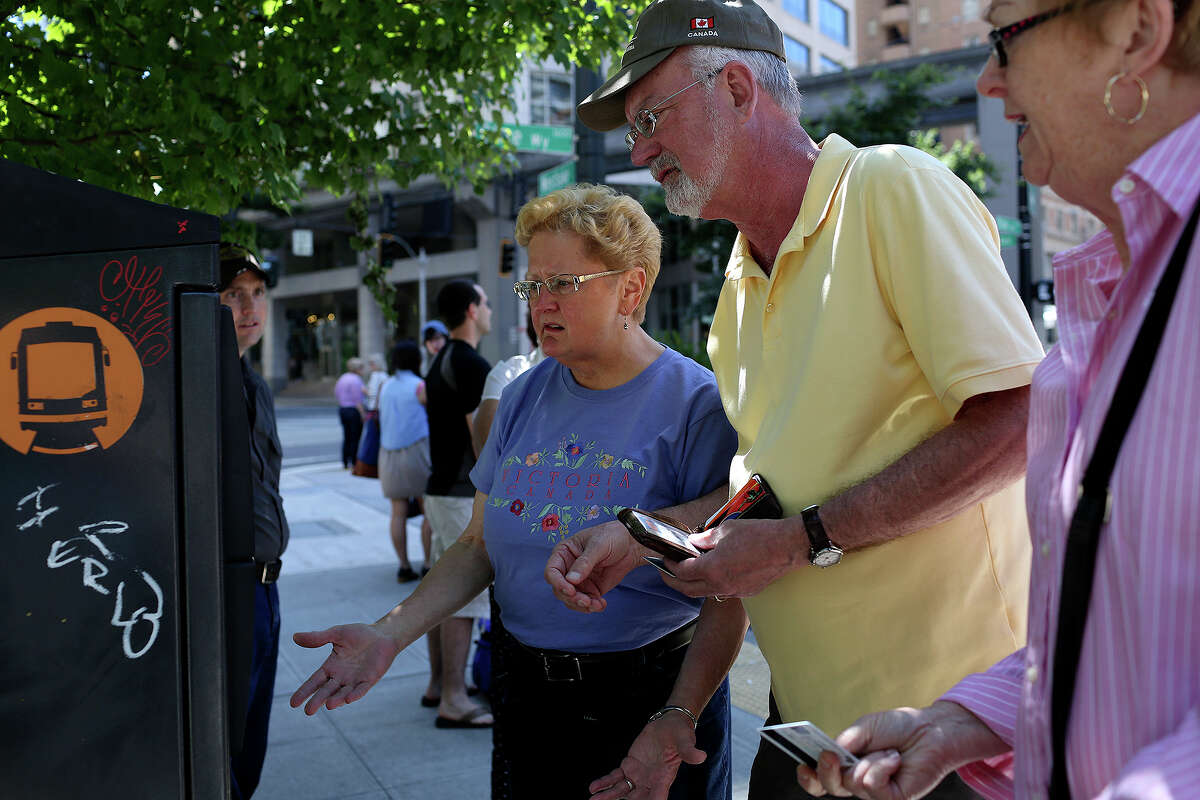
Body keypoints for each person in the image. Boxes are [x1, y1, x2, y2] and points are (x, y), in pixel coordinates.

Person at [556, 2, 1046, 797]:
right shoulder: (737, 284)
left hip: (949, 737)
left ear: (741, 88)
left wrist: (799, 541)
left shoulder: (890, 186)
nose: (641, 149)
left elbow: (1021, 420)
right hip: (807, 732)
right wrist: (654, 535)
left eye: (652, 115)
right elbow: (772, 488)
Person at [795, 0, 1200, 797]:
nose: (989, 82)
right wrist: (966, 720)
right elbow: (1127, 622)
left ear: (1139, 32)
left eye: (1003, 41)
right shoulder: (1120, 276)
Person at [290, 184, 741, 800]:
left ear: (631, 288)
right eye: (532, 286)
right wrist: (389, 634)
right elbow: (478, 544)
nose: (540, 304)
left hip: (650, 699)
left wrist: (680, 714)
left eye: (564, 284)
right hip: (526, 690)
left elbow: (729, 591)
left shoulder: (696, 404)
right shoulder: (525, 395)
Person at [218, 243, 290, 800]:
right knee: (226, 747)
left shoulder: (253, 382)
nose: (250, 307)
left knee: (251, 744)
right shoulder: (200, 384)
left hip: (265, 586)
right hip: (227, 590)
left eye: (258, 294)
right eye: (234, 295)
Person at [378, 341, 430, 583]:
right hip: (417, 451)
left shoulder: (384, 386)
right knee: (427, 511)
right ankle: (428, 564)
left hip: (387, 455)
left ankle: (403, 565)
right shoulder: (420, 386)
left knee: (397, 513)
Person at [354, 352, 388, 476]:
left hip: (375, 411)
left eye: (372, 363)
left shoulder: (380, 376)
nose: (371, 366)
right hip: (374, 411)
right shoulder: (378, 375)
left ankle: (370, 467)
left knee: (373, 440)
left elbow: (374, 395)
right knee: (372, 440)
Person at [334, 357, 365, 469]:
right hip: (353, 410)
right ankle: (354, 460)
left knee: (347, 436)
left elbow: (337, 393)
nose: (363, 370)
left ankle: (345, 460)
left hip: (343, 409)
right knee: (355, 437)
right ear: (357, 369)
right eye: (361, 368)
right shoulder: (356, 380)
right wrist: (363, 414)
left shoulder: (342, 378)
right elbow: (358, 400)